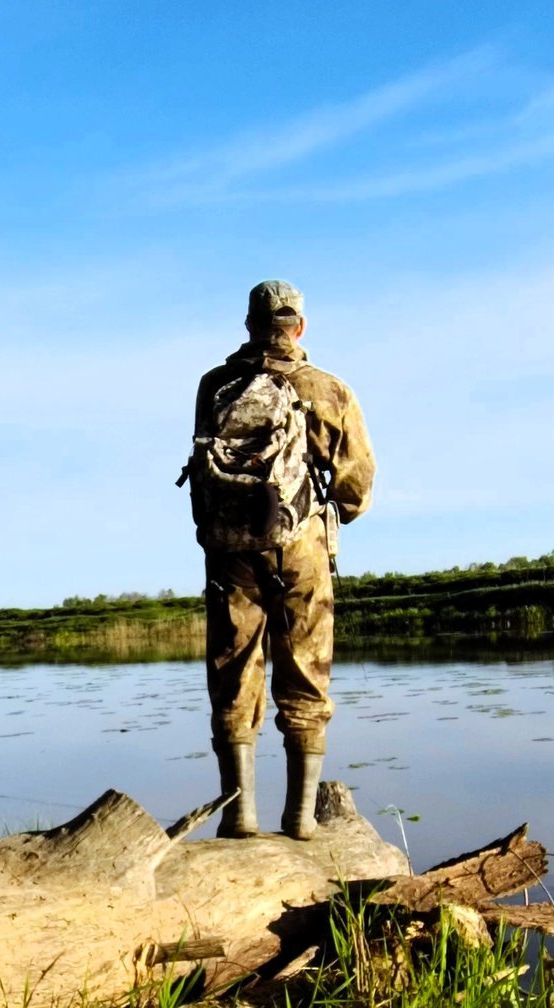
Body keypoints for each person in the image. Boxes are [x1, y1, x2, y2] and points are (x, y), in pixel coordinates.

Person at [189, 280, 374, 840]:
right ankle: (300, 819)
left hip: (229, 552)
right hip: (300, 550)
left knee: (233, 670)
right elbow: (356, 488)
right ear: (300, 326)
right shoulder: (327, 388)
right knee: (306, 671)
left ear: (249, 324)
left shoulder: (215, 385)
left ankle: (238, 815)